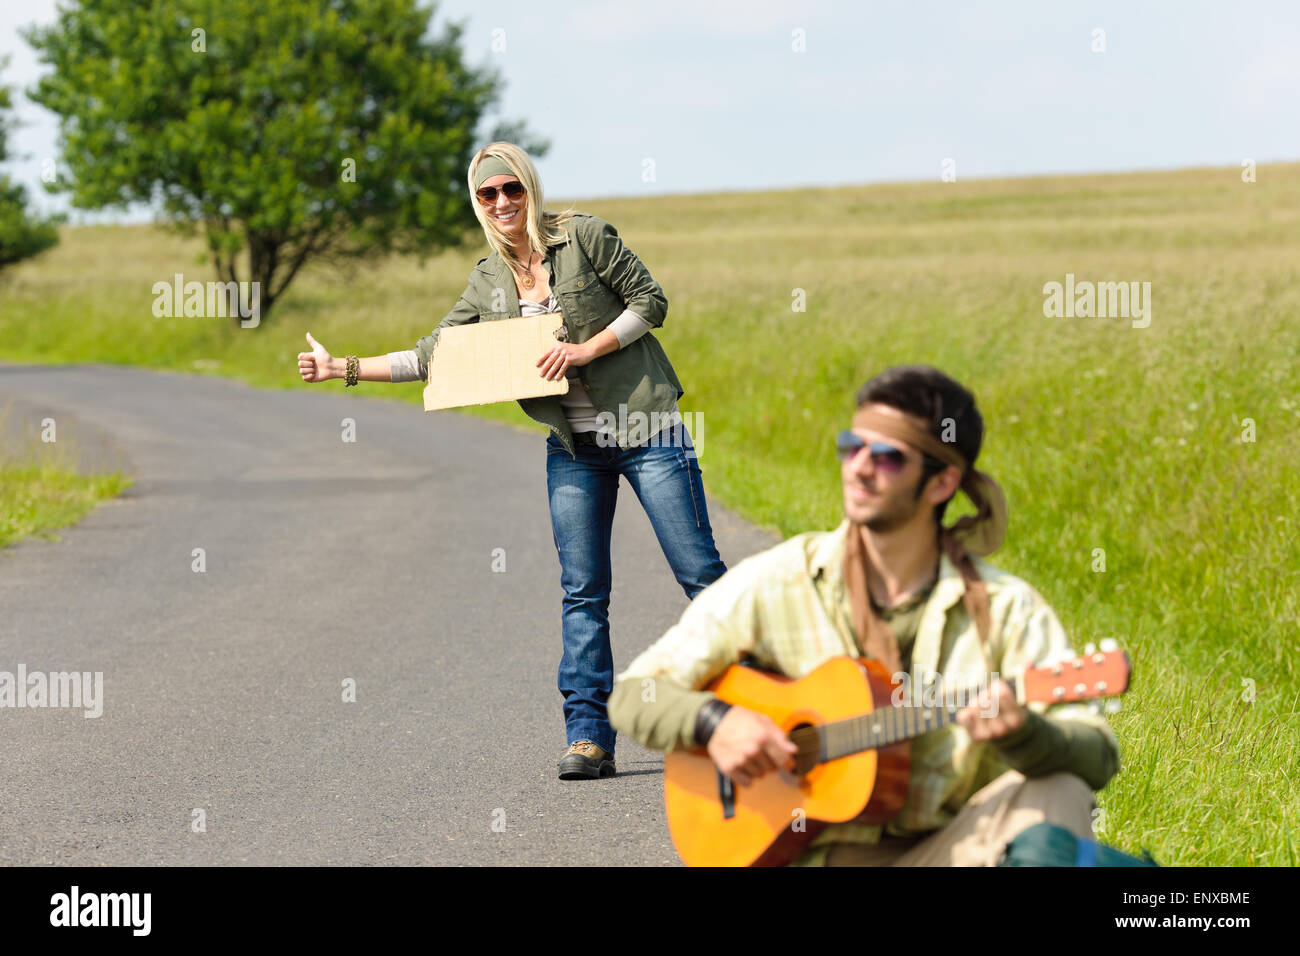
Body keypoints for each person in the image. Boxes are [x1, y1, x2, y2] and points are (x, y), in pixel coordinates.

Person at [298, 142, 727, 780]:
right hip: (575, 451)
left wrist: (585, 351)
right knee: (583, 592)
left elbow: (650, 303)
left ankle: (765, 707)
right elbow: (437, 355)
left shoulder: (583, 237)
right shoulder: (488, 280)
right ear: (477, 203)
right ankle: (589, 738)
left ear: (529, 187)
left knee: (701, 577)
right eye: (488, 194)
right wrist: (347, 369)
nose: (502, 202)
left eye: (511, 188)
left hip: (647, 429)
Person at [607, 365, 1121, 865]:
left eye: (888, 457)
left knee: (1057, 791)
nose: (859, 466)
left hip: (947, 849)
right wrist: (717, 722)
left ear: (942, 484)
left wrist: (1025, 733)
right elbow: (634, 695)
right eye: (851, 448)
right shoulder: (779, 581)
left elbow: (1097, 755)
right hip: (805, 853)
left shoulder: (1006, 608)